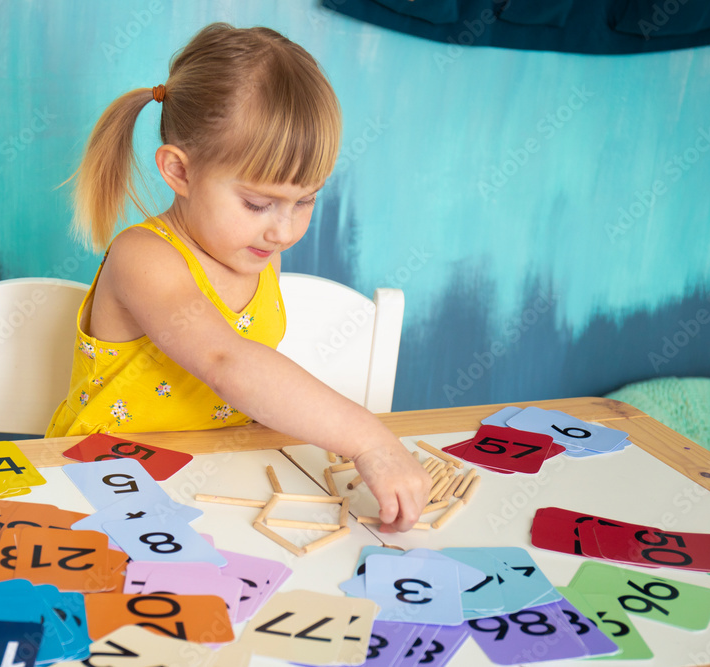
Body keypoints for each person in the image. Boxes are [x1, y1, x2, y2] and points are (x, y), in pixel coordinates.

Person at [46, 23, 433, 532]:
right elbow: (228, 360)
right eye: (256, 203)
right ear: (179, 172)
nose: (283, 229)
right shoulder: (141, 257)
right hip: (99, 490)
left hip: (207, 488)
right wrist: (370, 439)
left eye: (305, 200)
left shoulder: (254, 250)